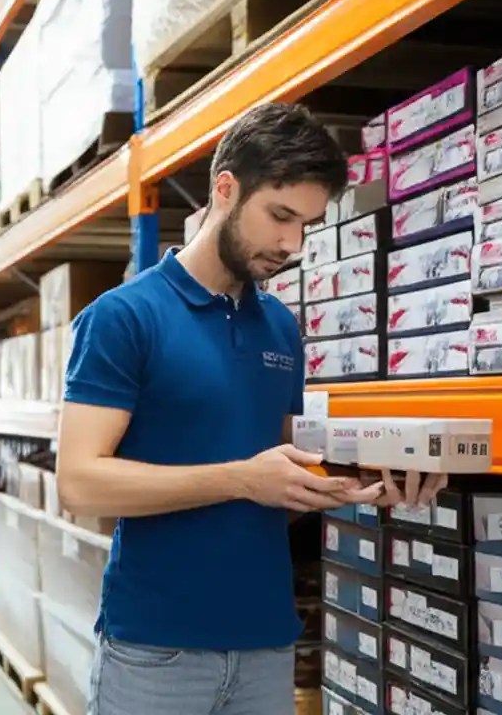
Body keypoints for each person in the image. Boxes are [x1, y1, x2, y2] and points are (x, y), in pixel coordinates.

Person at [56, 102, 449, 715]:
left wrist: (361, 485)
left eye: (307, 225)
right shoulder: (124, 317)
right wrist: (241, 479)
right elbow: (79, 482)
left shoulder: (281, 328)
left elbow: (284, 475)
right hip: (156, 650)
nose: (292, 244)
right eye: (280, 216)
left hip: (265, 647)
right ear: (226, 189)